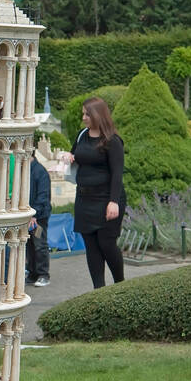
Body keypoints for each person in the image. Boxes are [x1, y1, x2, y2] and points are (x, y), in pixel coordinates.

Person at [61, 96, 126, 289]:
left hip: (107, 199)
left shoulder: (112, 141)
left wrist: (113, 201)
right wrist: (67, 156)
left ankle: (121, 286)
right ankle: (98, 290)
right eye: (83, 113)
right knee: (91, 246)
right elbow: (75, 156)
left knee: (107, 244)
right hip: (84, 199)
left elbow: (117, 173)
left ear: (97, 115)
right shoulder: (82, 135)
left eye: (87, 114)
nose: (83, 117)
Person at [26, 154, 52, 287]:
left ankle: (43, 274)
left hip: (38, 218)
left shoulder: (40, 172)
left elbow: (43, 196)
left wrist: (34, 215)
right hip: (29, 216)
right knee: (29, 245)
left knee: (39, 244)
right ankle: (32, 273)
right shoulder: (25, 169)